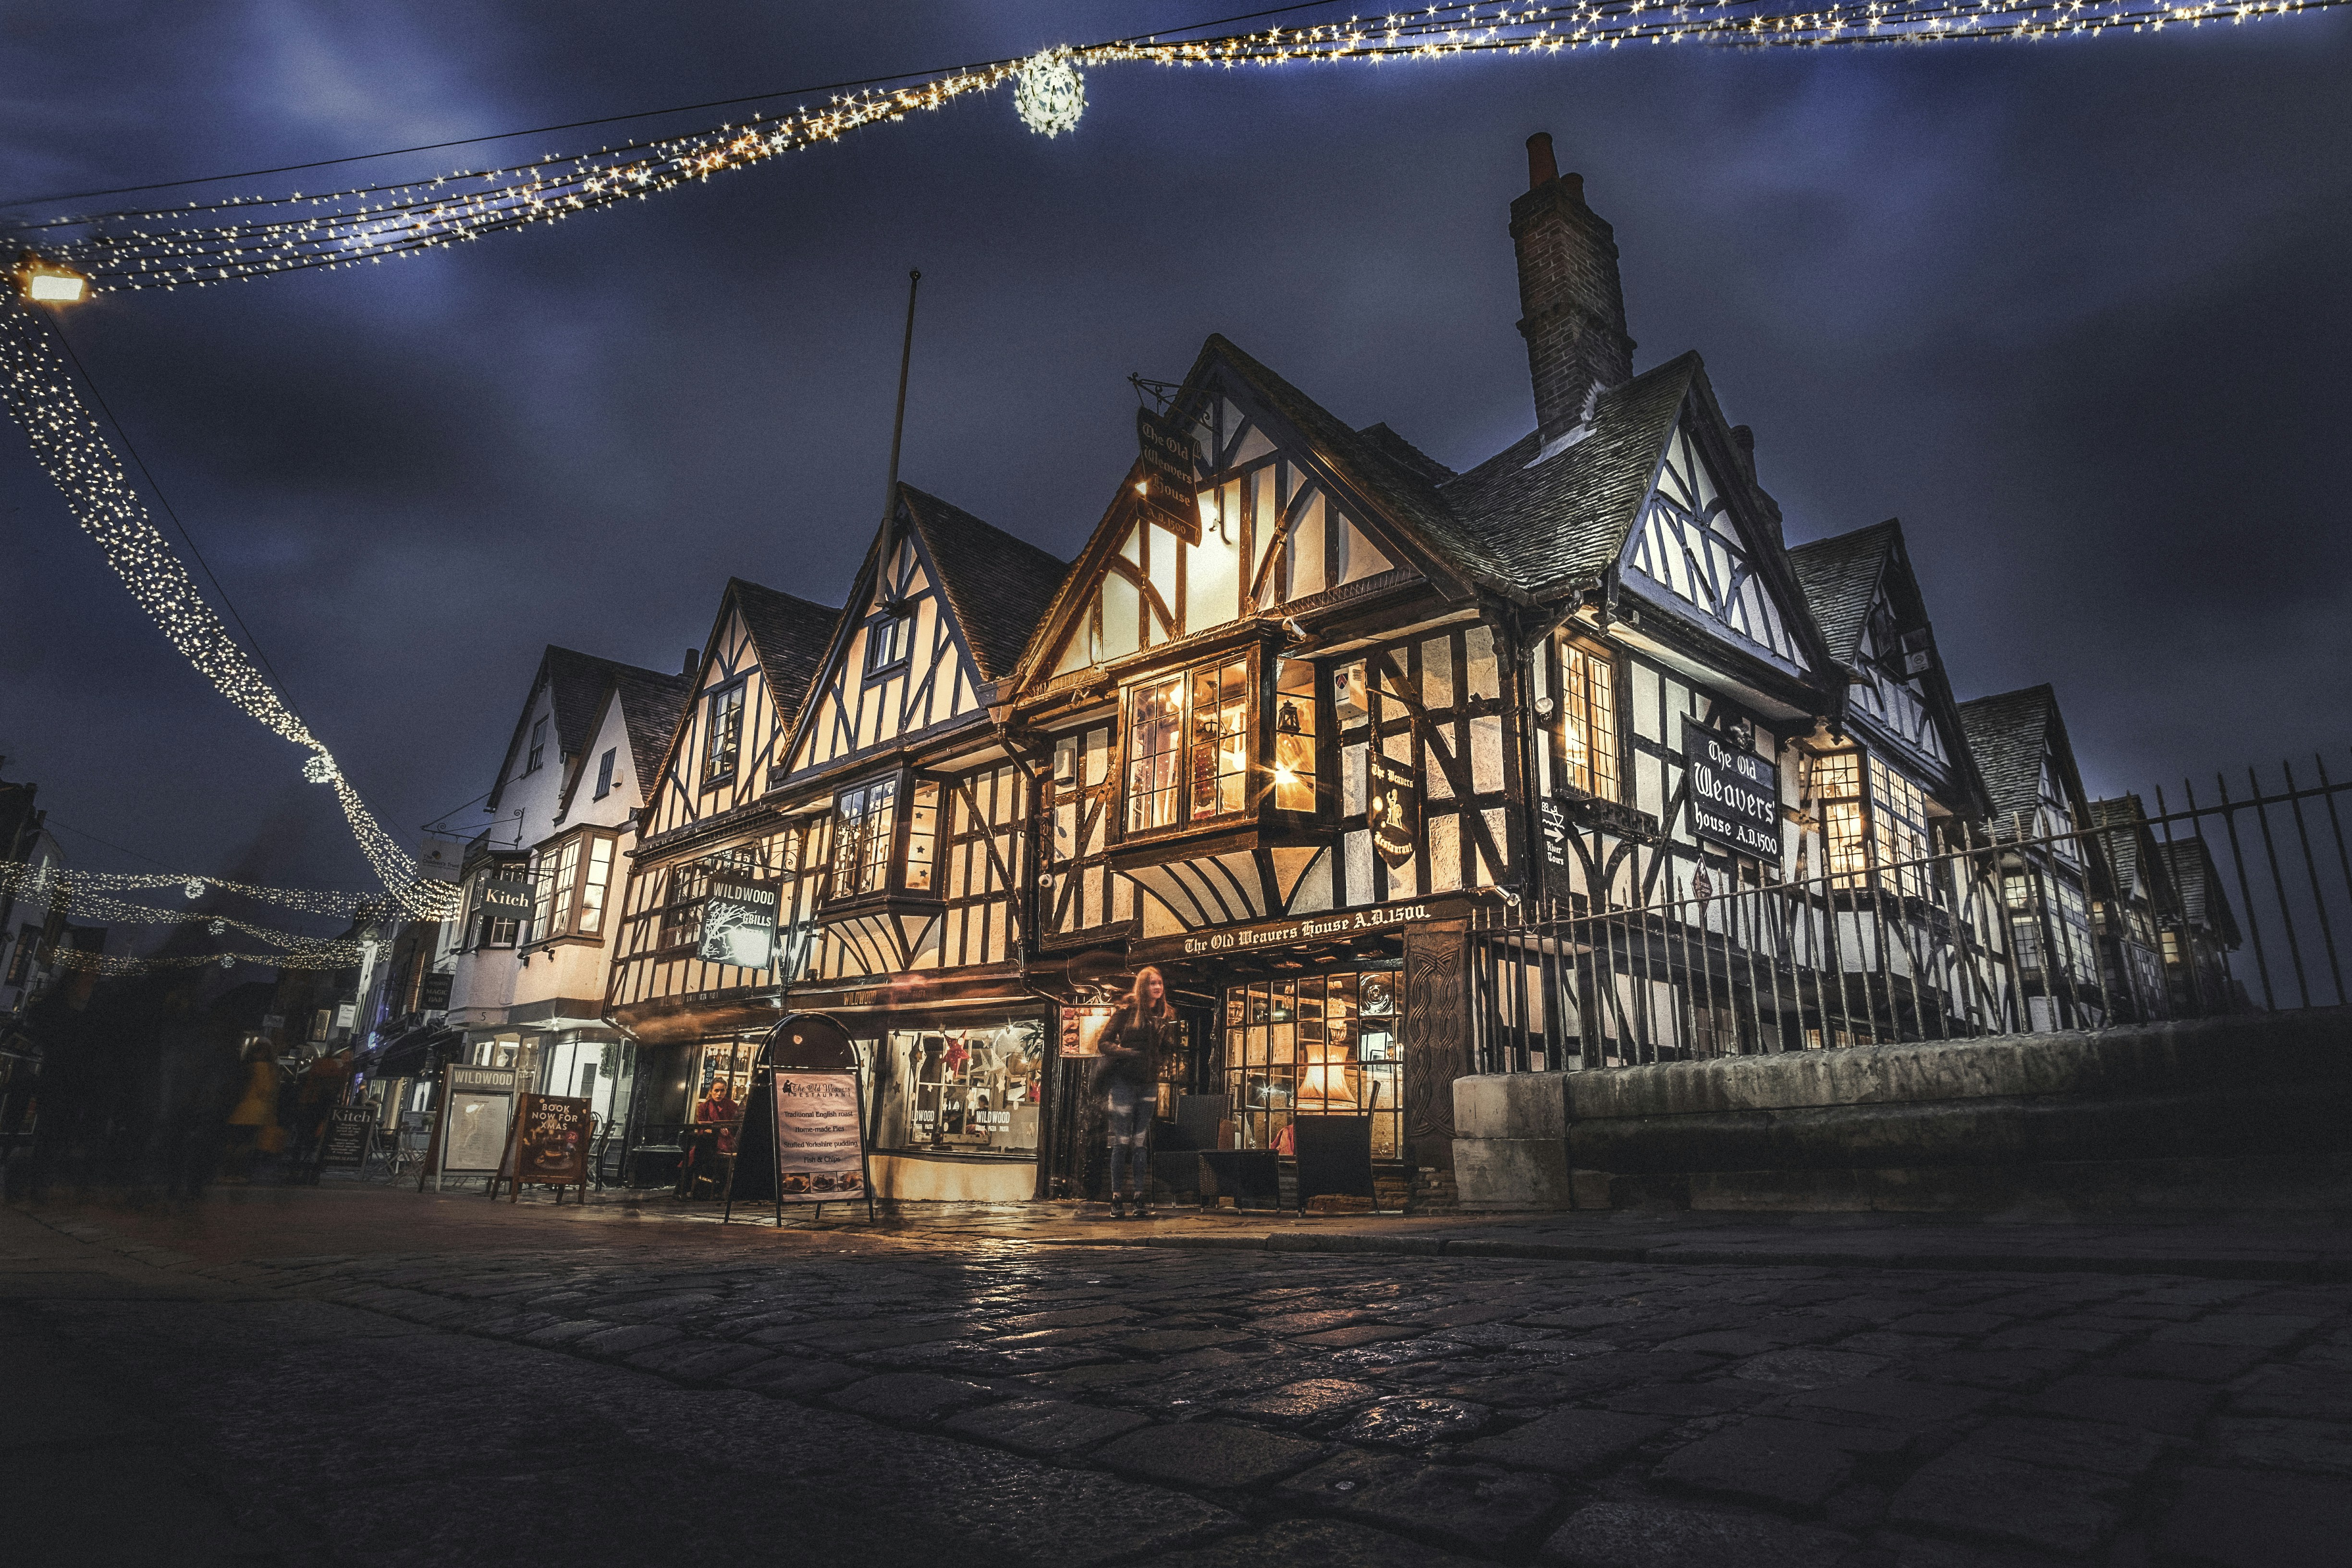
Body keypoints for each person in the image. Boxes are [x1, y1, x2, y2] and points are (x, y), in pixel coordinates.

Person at [1097, 966, 1178, 1219]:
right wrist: (1128, 1054)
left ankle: (1140, 1198)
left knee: (1141, 1143)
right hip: (1123, 1083)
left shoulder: (1166, 1014)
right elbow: (1104, 1043)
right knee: (1121, 1142)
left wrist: (1162, 1059)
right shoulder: (1127, 1011)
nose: (1158, 987)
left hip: (1148, 1083)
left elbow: (1167, 1047)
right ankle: (1117, 1198)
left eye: (1160, 983)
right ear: (1143, 987)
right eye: (1153, 983)